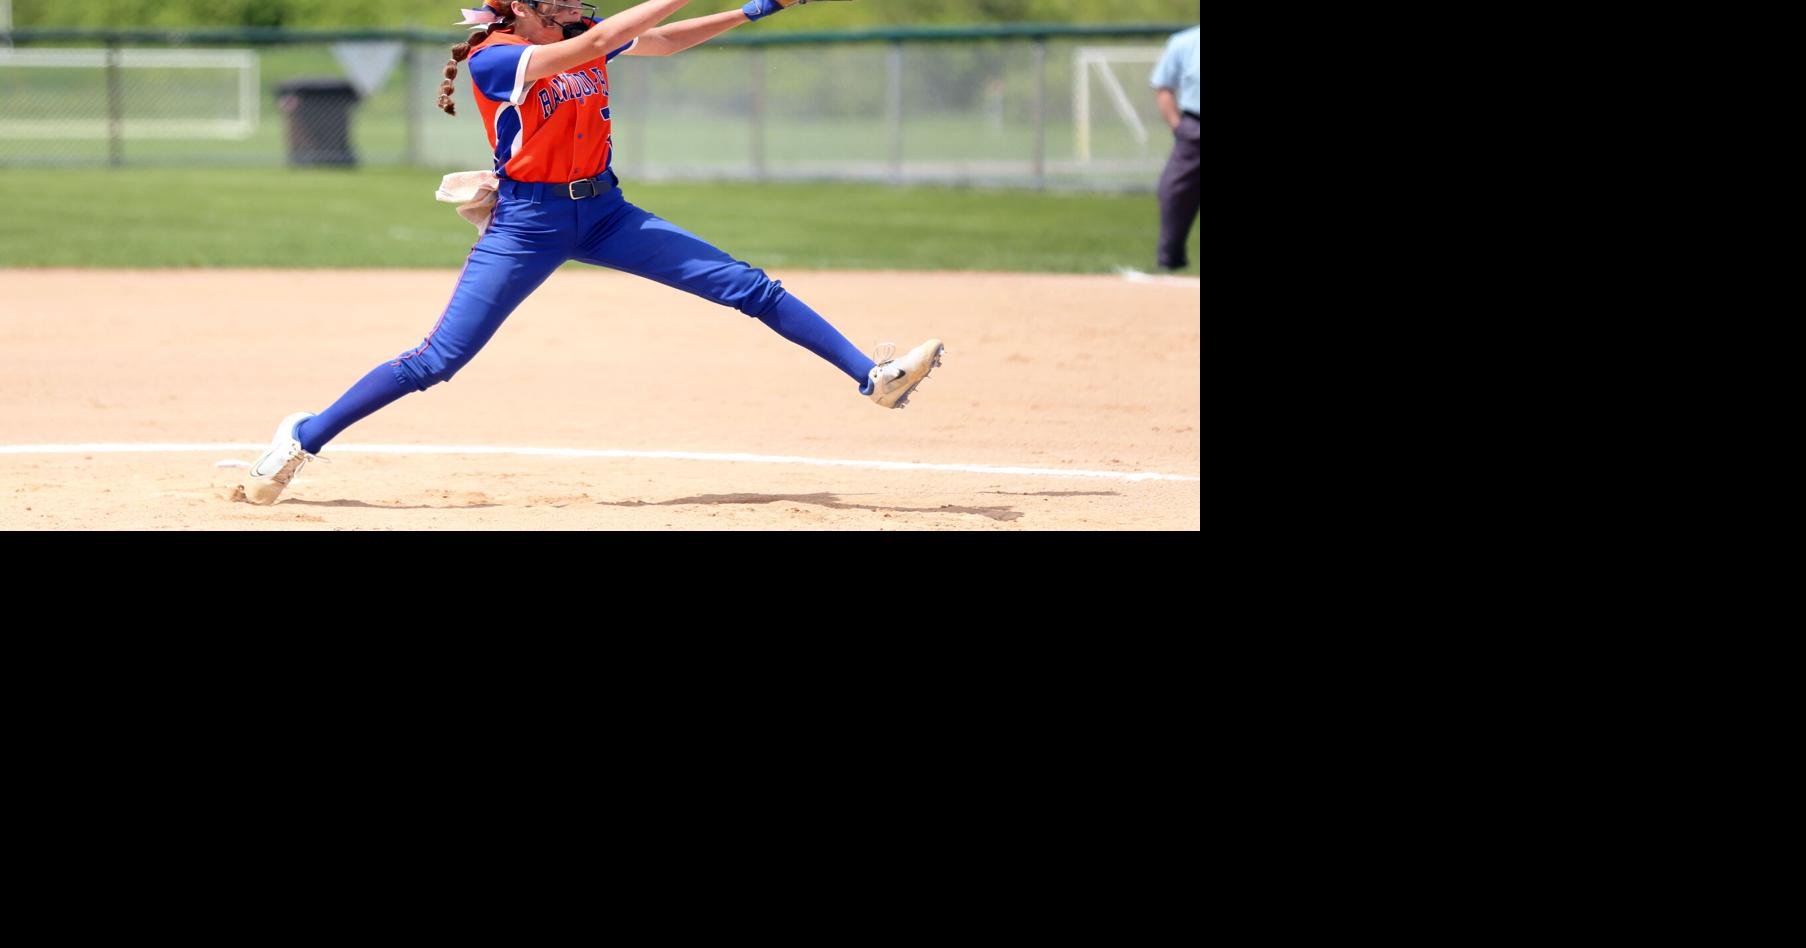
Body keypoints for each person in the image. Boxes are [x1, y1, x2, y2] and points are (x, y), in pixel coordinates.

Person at [244, 0, 943, 506]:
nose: (578, 4)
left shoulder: (576, 36)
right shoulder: (499, 59)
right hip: (529, 224)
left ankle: (872, 378)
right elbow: (601, 39)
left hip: (605, 211)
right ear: (523, 10)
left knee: (747, 286)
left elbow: (660, 43)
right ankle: (303, 436)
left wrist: (756, 9)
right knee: (438, 360)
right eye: (561, 0)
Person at [1149, 23, 1198, 272]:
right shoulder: (1185, 42)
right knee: (1174, 192)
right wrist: (1178, 127)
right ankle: (1170, 261)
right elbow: (1163, 87)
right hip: (1194, 129)